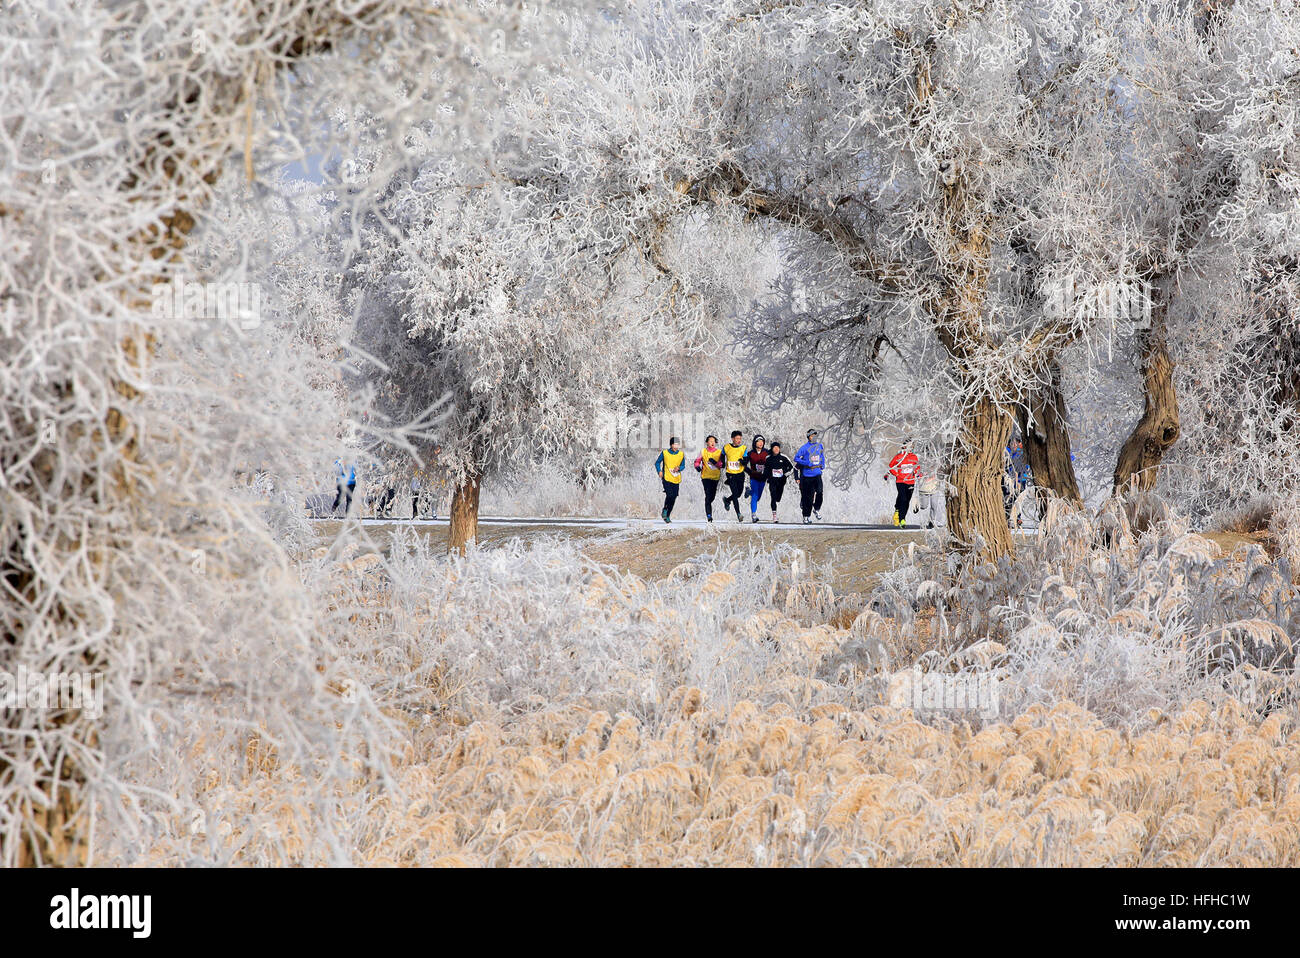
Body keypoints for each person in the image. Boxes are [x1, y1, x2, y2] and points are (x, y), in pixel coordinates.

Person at [793, 428, 826, 524]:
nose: (814, 437)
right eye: (812, 435)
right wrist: (806, 463)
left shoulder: (819, 446)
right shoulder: (804, 448)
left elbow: (822, 456)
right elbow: (796, 458)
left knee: (820, 492)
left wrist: (823, 464)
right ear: (808, 437)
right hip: (807, 475)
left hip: (817, 474)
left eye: (815, 435)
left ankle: (816, 508)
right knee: (808, 497)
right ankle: (806, 516)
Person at [886, 439, 920, 527]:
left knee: (907, 501)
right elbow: (891, 466)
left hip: (911, 481)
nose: (911, 447)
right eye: (909, 445)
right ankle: (902, 519)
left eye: (912, 446)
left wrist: (918, 474)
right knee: (903, 498)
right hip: (900, 481)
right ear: (904, 446)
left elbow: (917, 467)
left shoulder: (914, 457)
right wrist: (897, 474)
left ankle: (898, 512)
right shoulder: (899, 456)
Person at [655, 436, 686, 523]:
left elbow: (683, 465)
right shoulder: (665, 453)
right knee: (670, 494)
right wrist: (659, 471)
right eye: (674, 444)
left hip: (676, 478)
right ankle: (665, 509)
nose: (676, 446)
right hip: (666, 477)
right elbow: (657, 463)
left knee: (674, 497)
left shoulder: (681, 454)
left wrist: (679, 468)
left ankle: (667, 515)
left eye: (677, 444)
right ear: (671, 445)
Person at [695, 434, 723, 522]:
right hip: (705, 477)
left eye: (713, 441)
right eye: (710, 441)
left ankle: (708, 508)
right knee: (707, 496)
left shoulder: (719, 452)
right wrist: (697, 467)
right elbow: (697, 461)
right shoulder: (703, 451)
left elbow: (722, 464)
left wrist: (715, 462)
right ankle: (709, 515)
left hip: (715, 477)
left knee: (712, 496)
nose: (712, 443)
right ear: (707, 442)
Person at [764, 441, 794, 523]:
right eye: (774, 447)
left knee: (778, 498)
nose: (776, 449)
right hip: (772, 481)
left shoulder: (783, 457)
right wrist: (766, 477)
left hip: (781, 481)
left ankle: (776, 503)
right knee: (773, 497)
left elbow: (791, 468)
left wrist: (785, 475)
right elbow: (765, 469)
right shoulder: (768, 458)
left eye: (778, 447)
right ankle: (774, 516)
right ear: (772, 449)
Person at [721, 430, 747, 522]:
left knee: (739, 493)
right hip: (730, 473)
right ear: (732, 439)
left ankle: (727, 500)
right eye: (737, 438)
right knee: (735, 494)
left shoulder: (743, 448)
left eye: (740, 438)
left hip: (740, 474)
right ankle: (738, 514)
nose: (739, 440)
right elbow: (722, 455)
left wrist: (743, 462)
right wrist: (722, 463)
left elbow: (746, 460)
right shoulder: (726, 447)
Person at [744, 434, 769, 523]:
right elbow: (744, 465)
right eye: (758, 441)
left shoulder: (767, 452)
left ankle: (748, 491)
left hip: (763, 478)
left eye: (762, 441)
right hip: (754, 478)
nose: (761, 443)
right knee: (755, 495)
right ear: (755, 443)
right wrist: (750, 471)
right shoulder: (750, 453)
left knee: (758, 497)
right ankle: (753, 515)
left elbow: (772, 462)